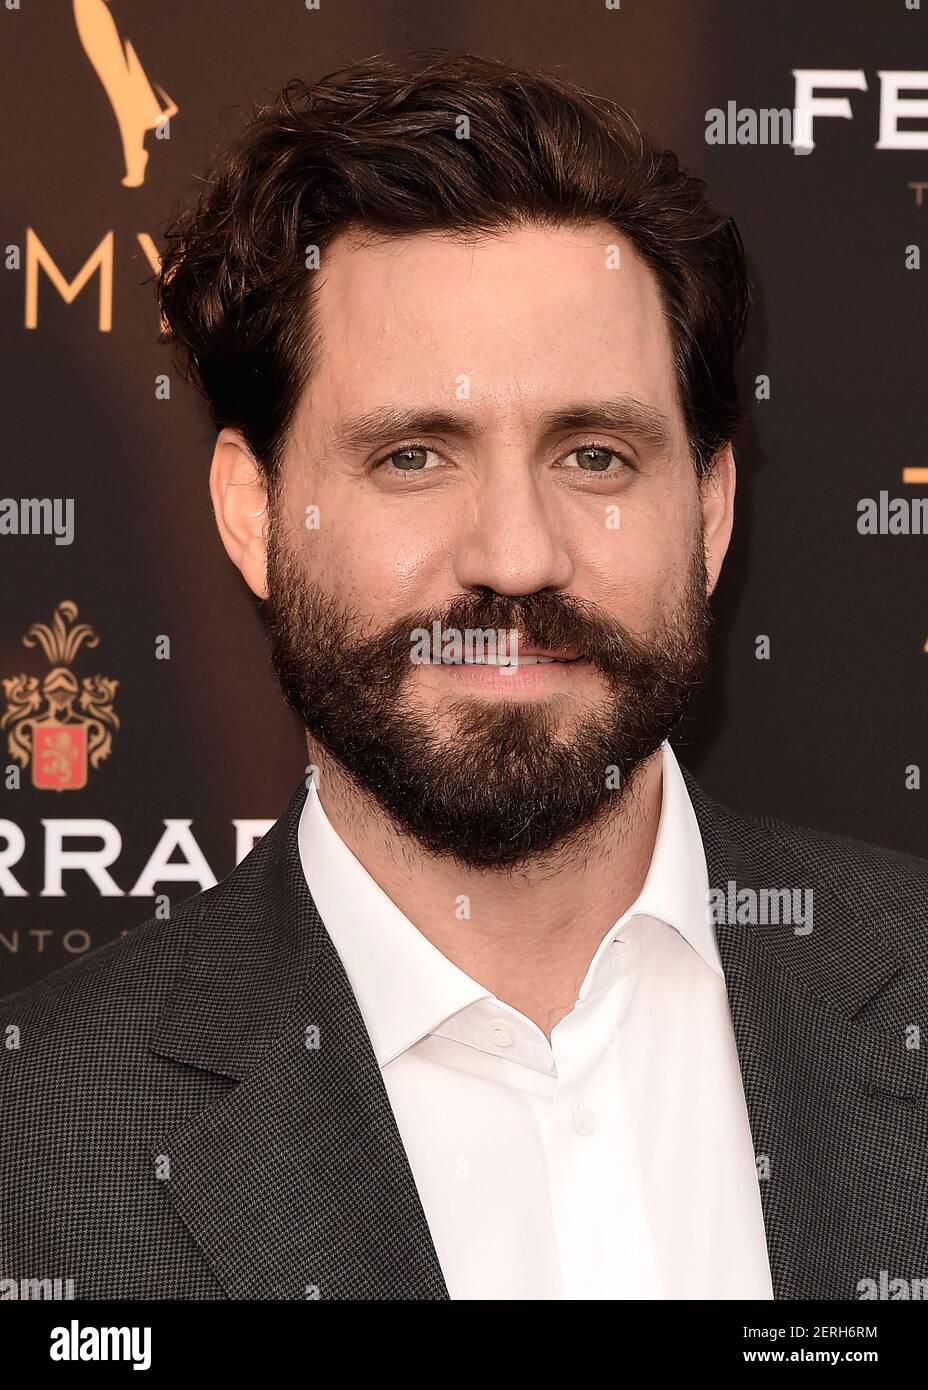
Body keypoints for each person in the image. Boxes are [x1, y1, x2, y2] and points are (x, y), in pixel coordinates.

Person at [2, 50, 926, 1302]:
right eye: (413, 457)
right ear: (254, 512)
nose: (513, 557)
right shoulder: (37, 1153)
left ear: (709, 514)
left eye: (594, 455)